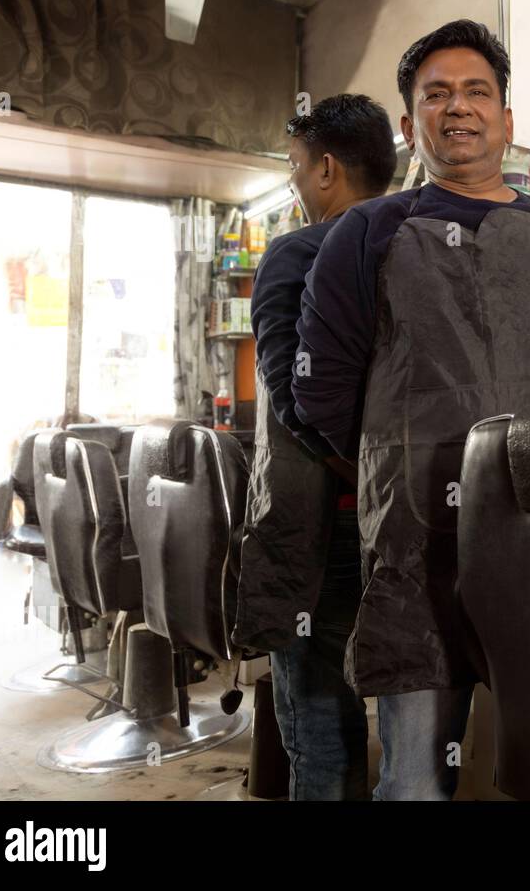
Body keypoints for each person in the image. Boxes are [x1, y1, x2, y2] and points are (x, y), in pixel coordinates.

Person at [292, 19, 530, 800]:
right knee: (412, 779)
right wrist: (397, 457)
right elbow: (320, 391)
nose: (458, 108)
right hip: (415, 551)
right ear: (410, 125)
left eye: (477, 91)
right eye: (435, 94)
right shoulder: (366, 234)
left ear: (507, 120)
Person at [234, 94, 396, 801]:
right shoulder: (421, 242)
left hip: (322, 524)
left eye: (298, 169)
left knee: (324, 740)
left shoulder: (298, 250)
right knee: (407, 735)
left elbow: (294, 398)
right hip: (404, 527)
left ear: (328, 169)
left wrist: (357, 471)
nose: (296, 186)